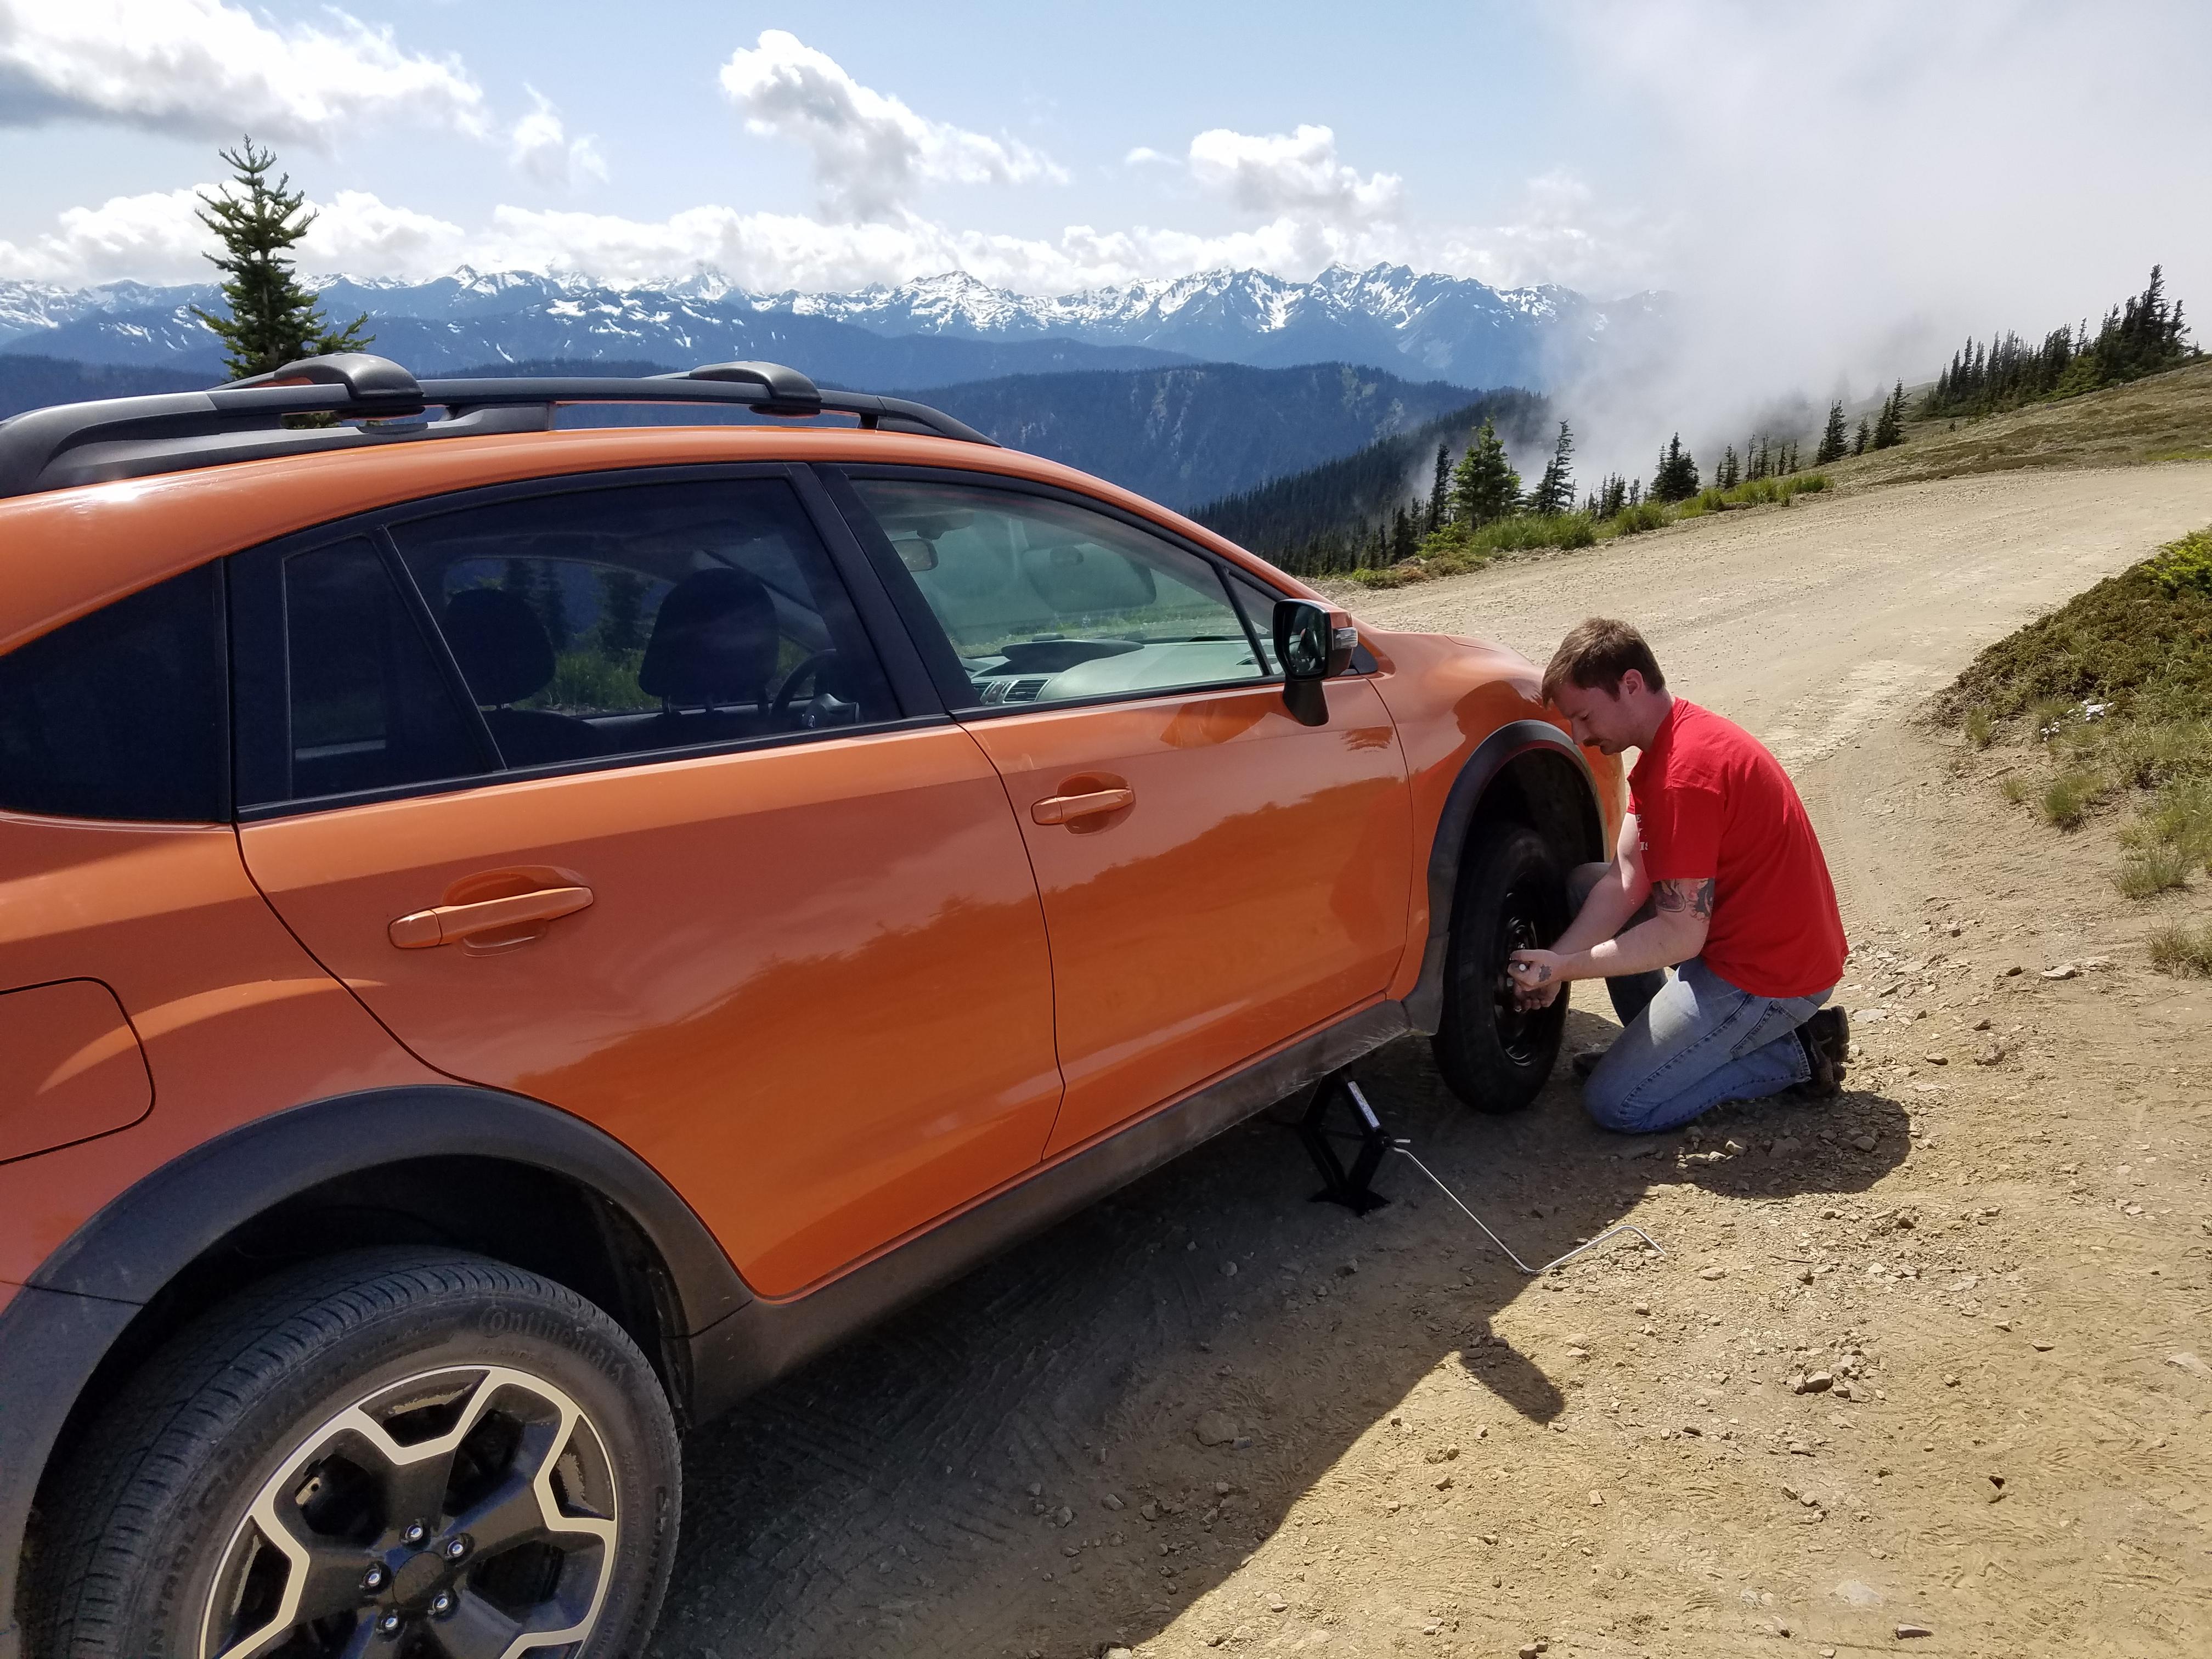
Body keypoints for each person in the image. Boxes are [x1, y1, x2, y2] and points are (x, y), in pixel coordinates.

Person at [1505, 617, 1850, 1132]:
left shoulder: (1686, 776)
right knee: (1586, 883)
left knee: (1616, 1105)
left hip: (1769, 979)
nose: (1579, 736)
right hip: (1742, 947)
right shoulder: (1670, 745)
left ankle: (1797, 1053)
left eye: (1583, 716)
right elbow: (1624, 879)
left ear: (1630, 685)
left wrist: (1566, 970)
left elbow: (1680, 934)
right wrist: (1558, 960)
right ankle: (1670, 1057)